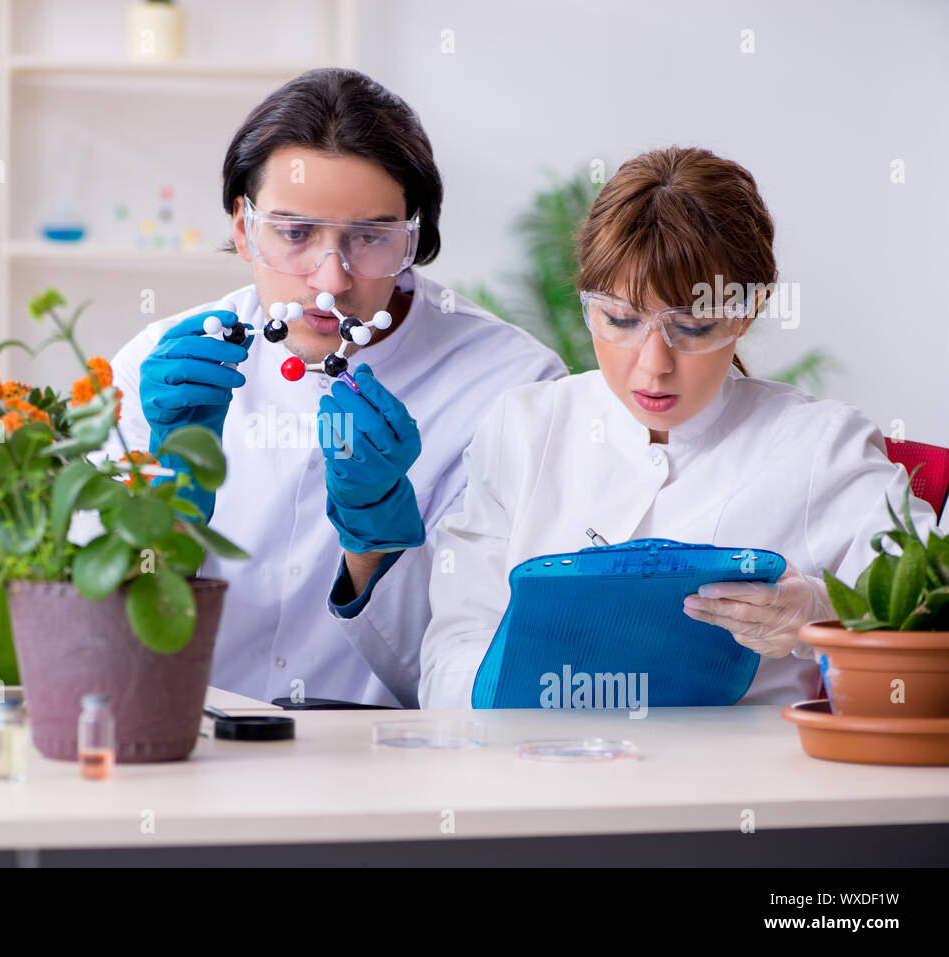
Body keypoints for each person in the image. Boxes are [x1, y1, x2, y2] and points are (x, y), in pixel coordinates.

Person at [419, 146, 941, 709]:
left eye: (694, 327)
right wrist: (505, 694)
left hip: (740, 785)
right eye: (619, 319)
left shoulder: (821, 446)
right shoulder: (523, 429)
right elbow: (452, 650)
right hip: (543, 769)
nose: (653, 365)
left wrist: (821, 613)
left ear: (747, 311)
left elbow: (931, 612)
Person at [108, 69, 566, 708]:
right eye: (295, 234)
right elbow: (96, 646)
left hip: (392, 766)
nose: (331, 278)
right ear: (244, 228)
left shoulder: (515, 386)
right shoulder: (158, 371)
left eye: (371, 237)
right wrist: (167, 509)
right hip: (190, 745)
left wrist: (377, 546)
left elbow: (486, 678)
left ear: (415, 237)